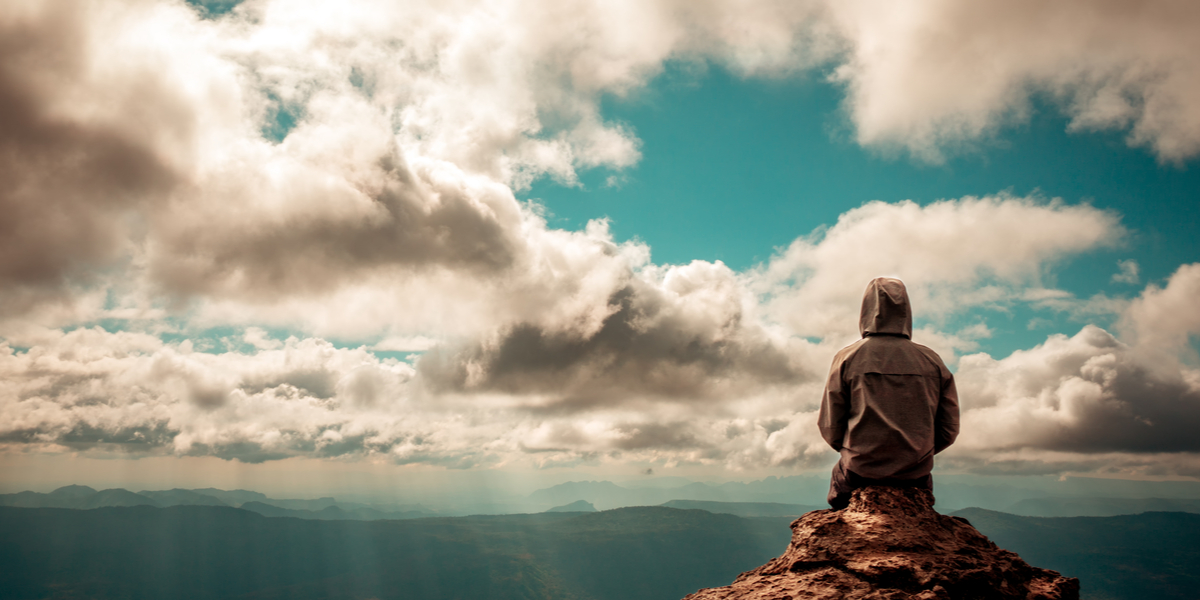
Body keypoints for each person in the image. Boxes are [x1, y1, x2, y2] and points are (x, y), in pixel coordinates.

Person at [818, 277, 960, 510]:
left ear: (865, 312)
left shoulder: (847, 358)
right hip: (916, 473)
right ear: (906, 313)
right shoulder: (932, 361)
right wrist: (917, 454)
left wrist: (858, 452)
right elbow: (948, 430)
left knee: (839, 496)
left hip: (859, 471)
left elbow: (830, 426)